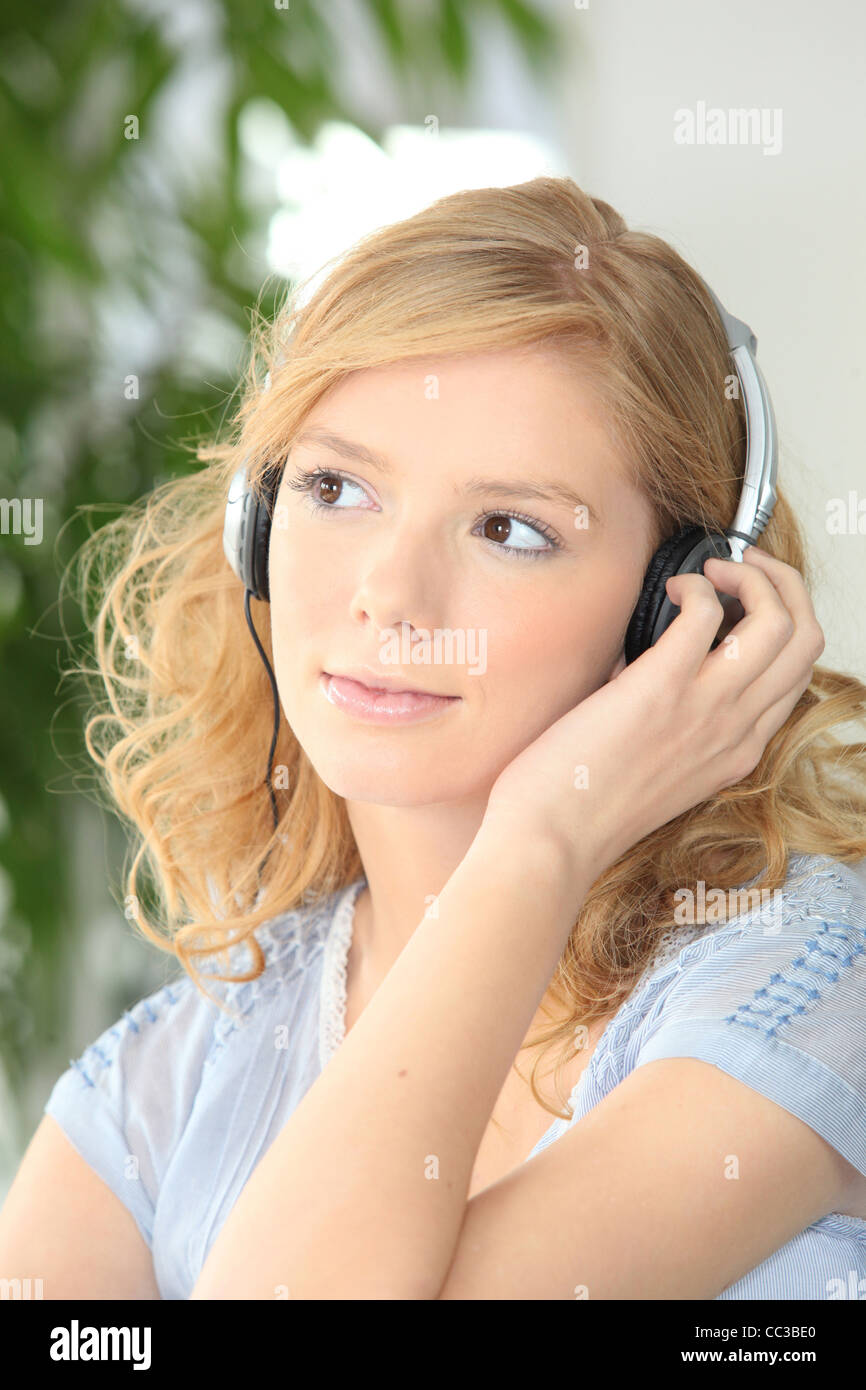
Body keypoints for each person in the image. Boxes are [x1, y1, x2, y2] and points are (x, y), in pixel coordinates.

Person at [1, 176, 865, 1301]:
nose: (387, 596)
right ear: (254, 523)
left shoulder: (802, 978)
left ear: (676, 603)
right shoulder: (158, 1090)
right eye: (334, 486)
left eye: (509, 527)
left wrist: (544, 837)